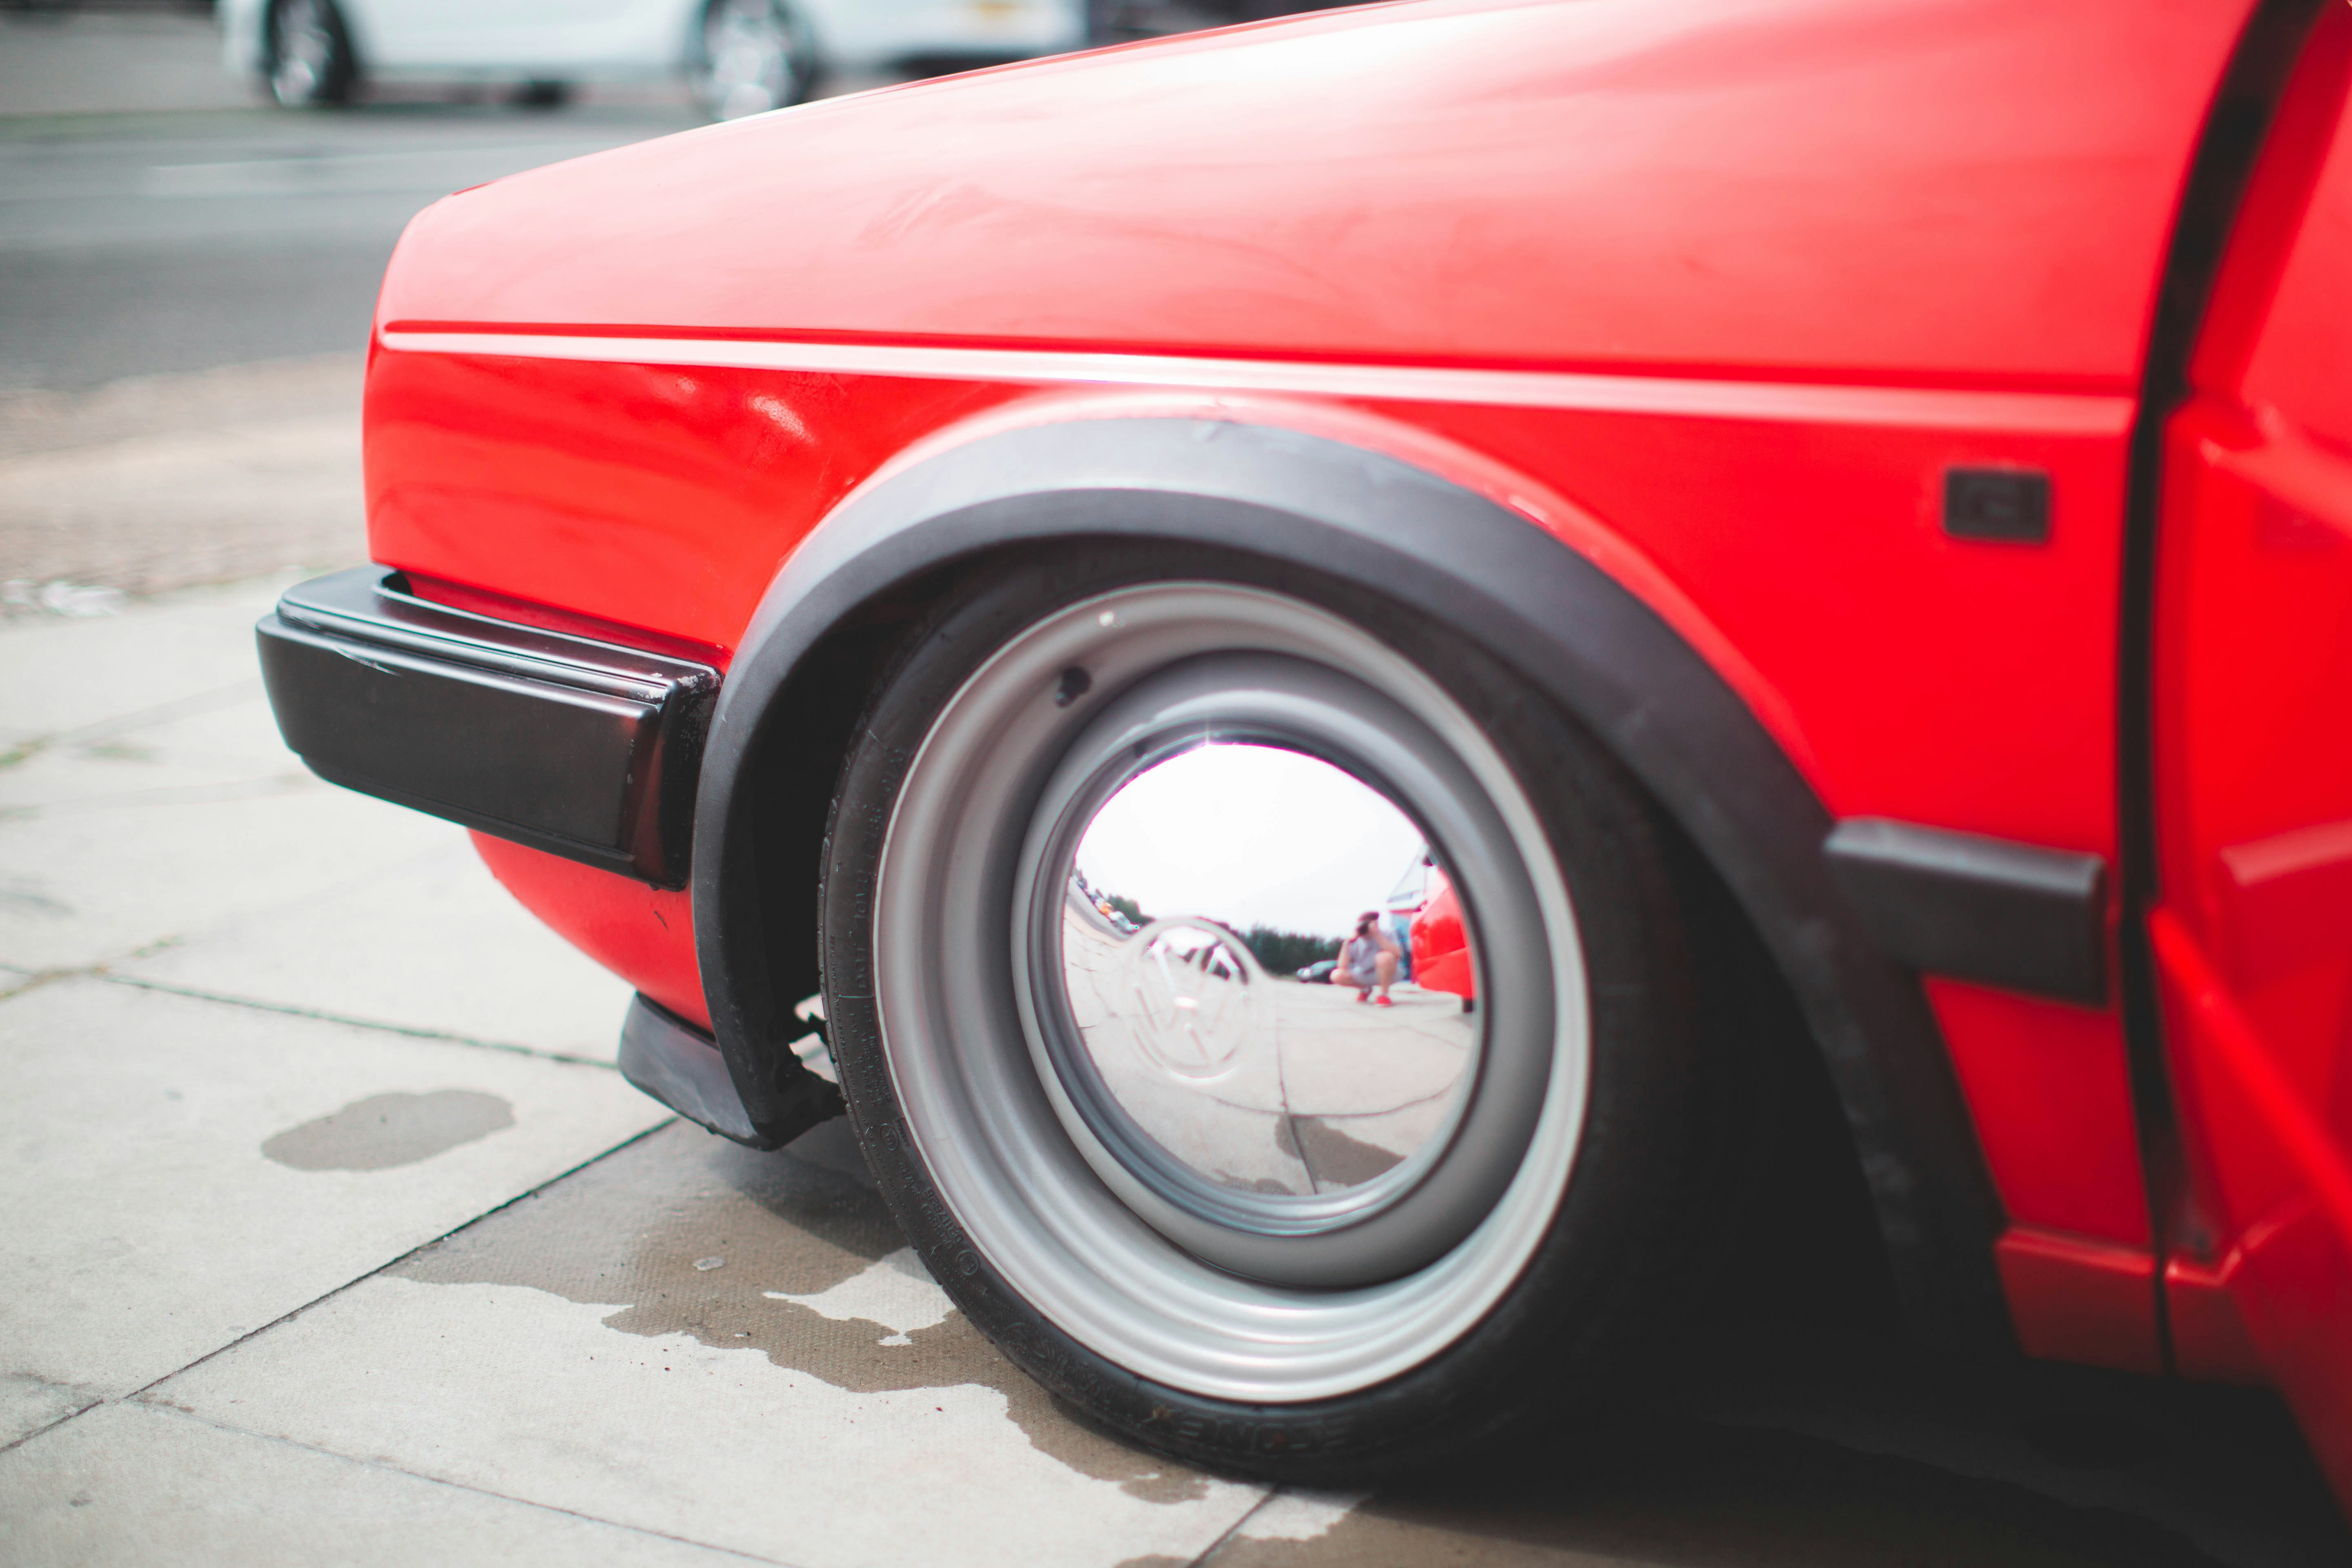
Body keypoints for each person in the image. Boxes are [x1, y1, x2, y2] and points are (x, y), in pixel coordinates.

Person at [1334, 910, 1401, 1006]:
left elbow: (1397, 954)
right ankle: (1365, 989)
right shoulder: (1354, 940)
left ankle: (1384, 995)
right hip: (1364, 974)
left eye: (1366, 924)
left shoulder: (1387, 933)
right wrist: (1347, 943)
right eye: (1361, 924)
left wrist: (1377, 935)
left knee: (1384, 956)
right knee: (1336, 975)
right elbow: (1342, 966)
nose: (1363, 927)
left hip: (1390, 973)